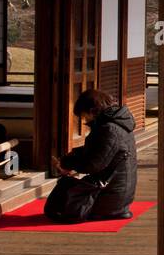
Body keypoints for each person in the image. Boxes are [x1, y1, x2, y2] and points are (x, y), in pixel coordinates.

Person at [43, 89, 138, 223]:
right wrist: (68, 159)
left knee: (59, 200)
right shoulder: (116, 124)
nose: (85, 120)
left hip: (111, 197)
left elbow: (94, 164)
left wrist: (67, 164)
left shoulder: (110, 129)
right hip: (116, 190)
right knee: (63, 195)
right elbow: (96, 150)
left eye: (85, 116)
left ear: (93, 110)